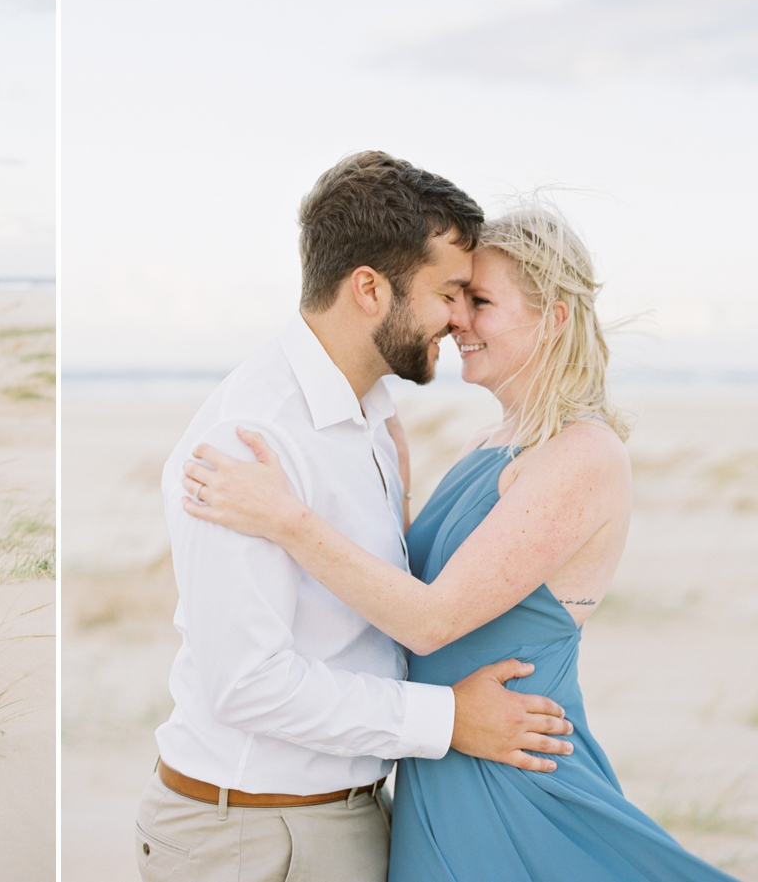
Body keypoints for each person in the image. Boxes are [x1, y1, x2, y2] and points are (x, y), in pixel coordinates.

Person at [181, 202, 738, 879]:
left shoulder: (582, 452)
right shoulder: (491, 442)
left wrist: (287, 518)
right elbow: (430, 584)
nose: (458, 321)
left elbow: (431, 619)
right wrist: (400, 498)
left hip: (512, 784)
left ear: (555, 317)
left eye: (480, 301)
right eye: (456, 297)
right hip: (443, 767)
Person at [135, 152, 576, 882]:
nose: (460, 318)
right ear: (369, 288)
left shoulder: (372, 413)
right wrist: (447, 718)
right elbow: (245, 683)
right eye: (448, 292)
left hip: (342, 813)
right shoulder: (250, 440)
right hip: (251, 832)